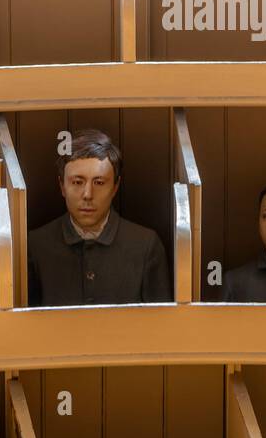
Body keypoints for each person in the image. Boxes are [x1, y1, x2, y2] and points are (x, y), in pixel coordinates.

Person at [27, 129, 171, 306]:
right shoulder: (35, 246)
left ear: (115, 187)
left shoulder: (146, 245)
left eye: (99, 183)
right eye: (77, 182)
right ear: (62, 186)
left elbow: (161, 327)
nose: (87, 194)